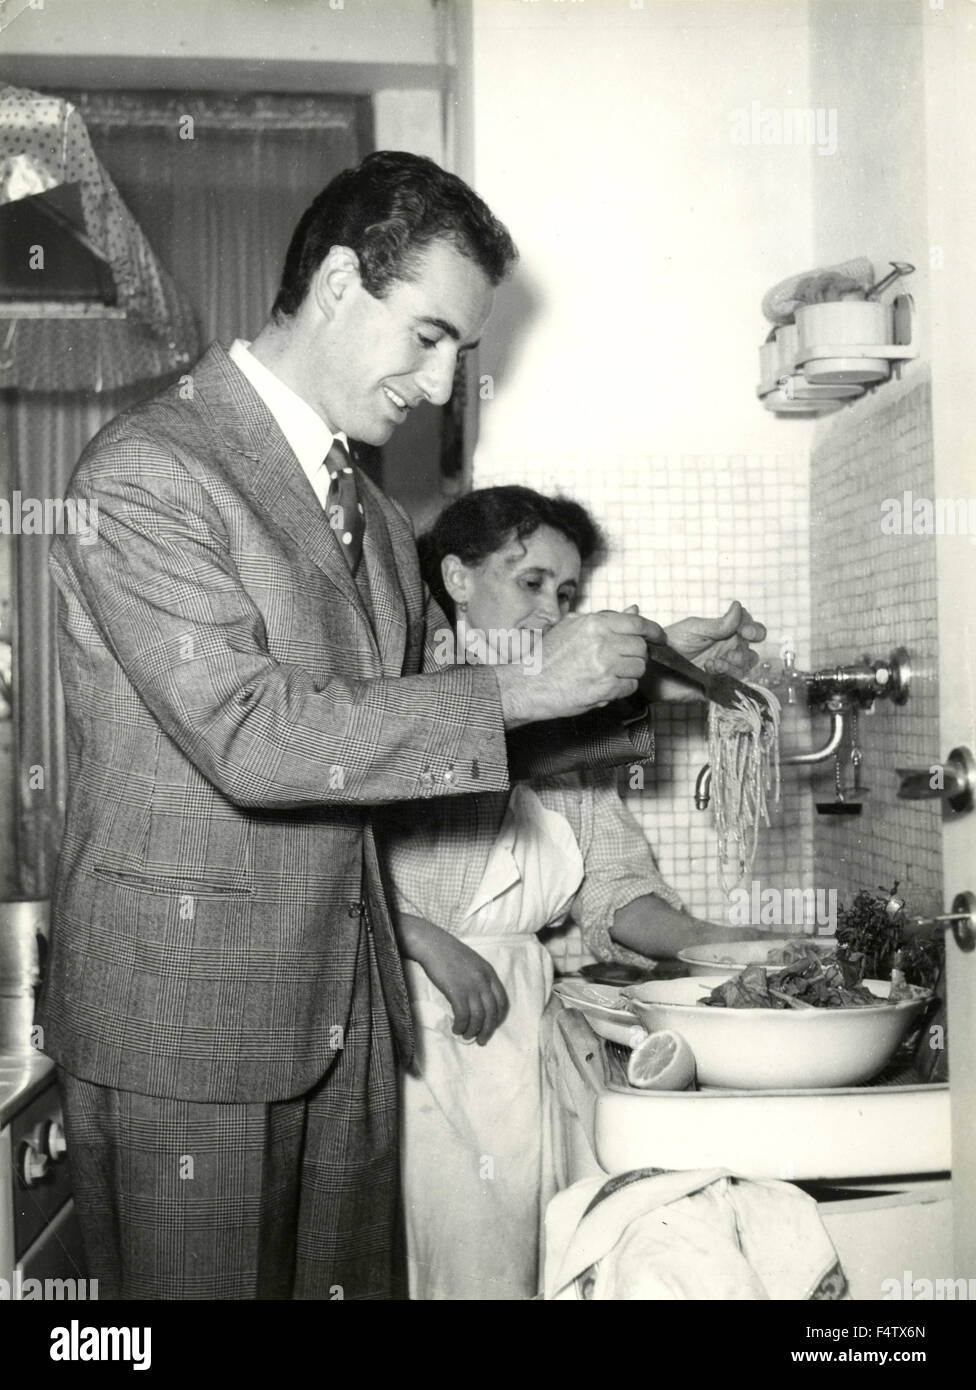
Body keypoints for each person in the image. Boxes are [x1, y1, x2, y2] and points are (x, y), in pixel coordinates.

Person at [41, 151, 762, 1300]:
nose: (437, 387)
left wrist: (648, 676)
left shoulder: (372, 515)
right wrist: (526, 687)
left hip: (357, 1019)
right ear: (336, 281)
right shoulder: (151, 471)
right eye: (426, 336)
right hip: (190, 1032)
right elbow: (256, 735)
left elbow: (423, 736)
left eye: (459, 355)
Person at [385, 486, 763, 1301]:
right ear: (455, 576)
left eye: (565, 595)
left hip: (522, 1037)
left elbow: (617, 895)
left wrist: (727, 943)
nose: (549, 610)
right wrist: (425, 939)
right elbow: (329, 871)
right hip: (413, 1029)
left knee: (527, 1264)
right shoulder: (403, 696)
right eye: (530, 583)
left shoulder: (572, 730)